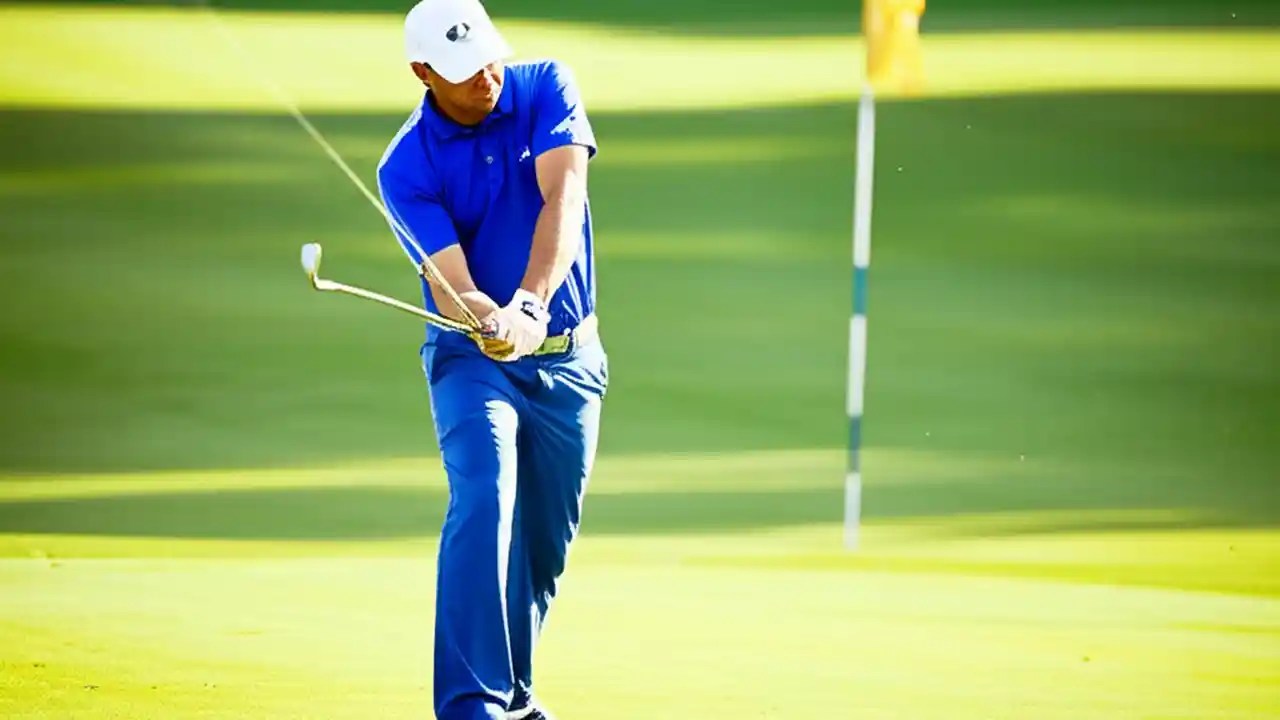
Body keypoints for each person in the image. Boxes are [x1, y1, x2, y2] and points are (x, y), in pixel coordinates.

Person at [375, 1, 607, 718]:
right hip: (473, 363)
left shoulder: (546, 87)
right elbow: (452, 288)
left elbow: (563, 199)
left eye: (487, 54)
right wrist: (490, 319)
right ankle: (470, 705)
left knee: (541, 543)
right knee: (484, 498)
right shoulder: (405, 165)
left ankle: (516, 694)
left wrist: (532, 306)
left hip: (570, 361)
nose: (485, 74)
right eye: (462, 68)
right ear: (422, 73)